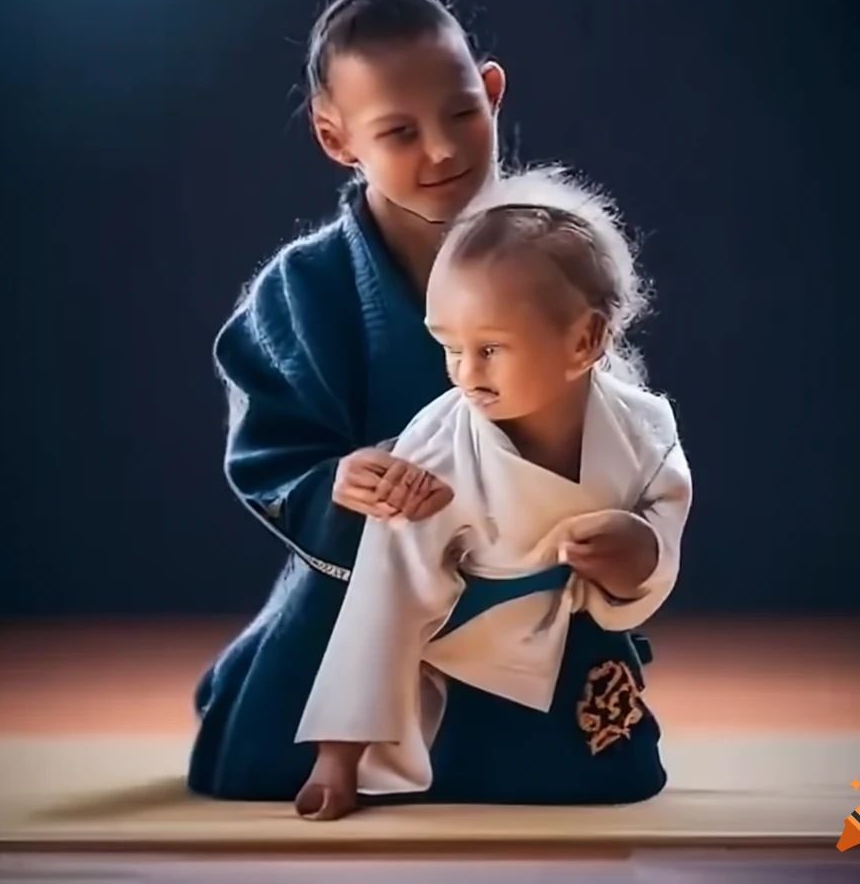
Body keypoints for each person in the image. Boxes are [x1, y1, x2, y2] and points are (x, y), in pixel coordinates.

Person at [187, 0, 677, 803]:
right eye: (399, 131)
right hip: (373, 583)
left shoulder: (552, 255)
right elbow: (275, 446)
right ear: (336, 136)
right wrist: (339, 480)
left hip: (525, 582)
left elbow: (616, 427)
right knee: (259, 758)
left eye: (460, 114)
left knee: (590, 770)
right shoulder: (305, 289)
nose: (443, 150)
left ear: (491, 90)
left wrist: (631, 550)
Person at [293, 168, 692, 820]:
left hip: (586, 649)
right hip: (475, 668)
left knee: (616, 776)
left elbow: (664, 519)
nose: (463, 373)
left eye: (491, 349)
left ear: (584, 340)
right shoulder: (436, 451)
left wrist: (639, 549)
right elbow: (381, 602)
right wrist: (337, 757)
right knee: (481, 776)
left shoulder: (642, 426)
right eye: (450, 347)